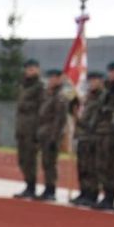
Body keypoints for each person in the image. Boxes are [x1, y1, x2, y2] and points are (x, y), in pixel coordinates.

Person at [92, 61, 114, 210]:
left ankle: (111, 196)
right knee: (102, 165)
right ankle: (106, 195)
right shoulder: (107, 91)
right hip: (102, 131)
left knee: (111, 166)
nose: (112, 74)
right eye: (111, 71)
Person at [33, 68, 68, 200]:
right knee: (46, 162)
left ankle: (51, 189)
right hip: (44, 133)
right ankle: (47, 188)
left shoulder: (60, 96)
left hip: (52, 135)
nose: (51, 80)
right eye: (50, 78)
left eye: (54, 78)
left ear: (60, 79)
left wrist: (55, 137)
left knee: (50, 163)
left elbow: (60, 119)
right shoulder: (48, 94)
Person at [71, 70, 105, 206]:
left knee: (92, 167)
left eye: (95, 80)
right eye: (90, 81)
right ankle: (84, 191)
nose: (92, 83)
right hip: (83, 135)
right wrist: (73, 109)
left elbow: (94, 119)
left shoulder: (102, 97)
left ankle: (92, 194)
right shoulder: (87, 97)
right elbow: (81, 117)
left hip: (94, 136)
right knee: (83, 166)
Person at [12, 58, 43, 199]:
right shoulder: (24, 86)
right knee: (23, 159)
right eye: (28, 68)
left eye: (32, 68)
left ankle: (32, 187)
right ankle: (28, 185)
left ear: (38, 69)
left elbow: (42, 109)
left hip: (33, 128)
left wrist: (38, 130)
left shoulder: (40, 87)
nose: (30, 71)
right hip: (22, 128)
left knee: (30, 159)